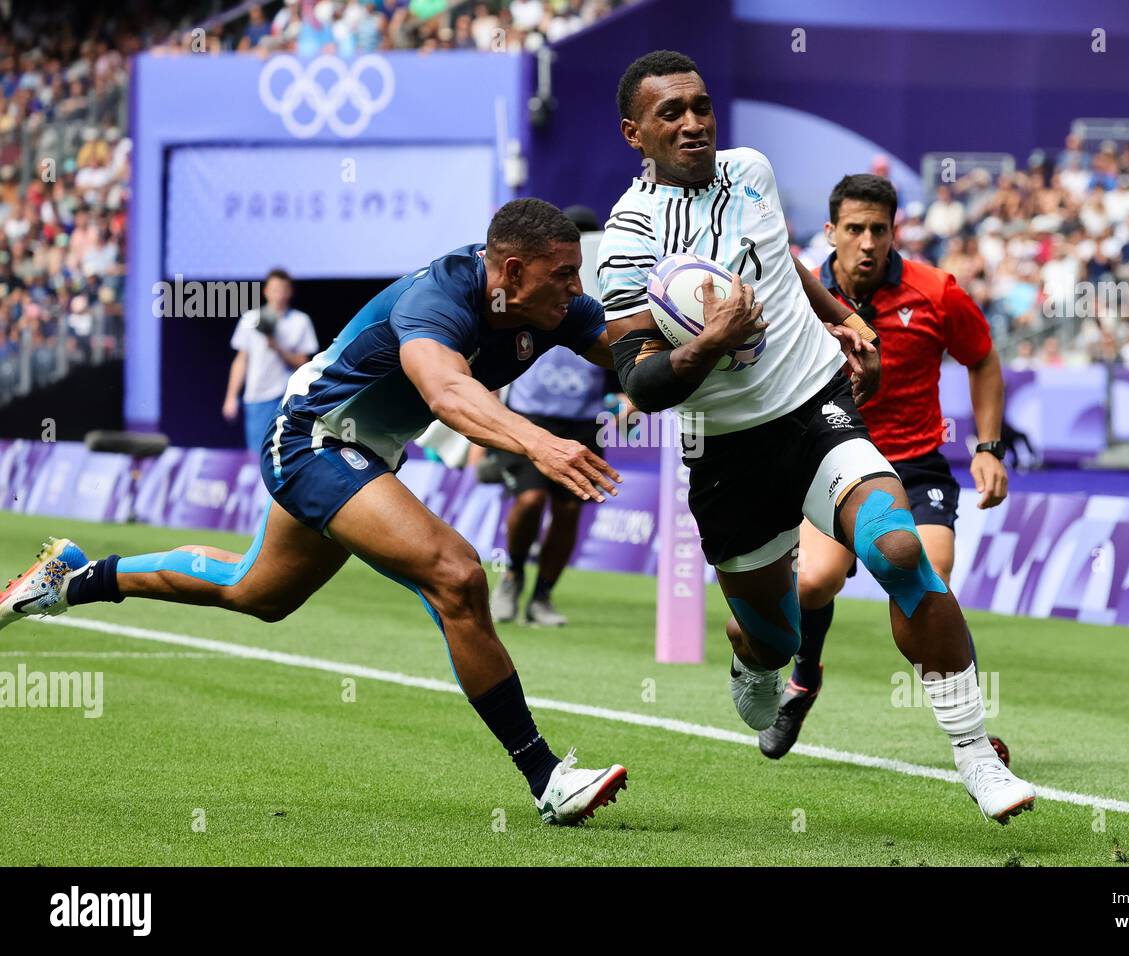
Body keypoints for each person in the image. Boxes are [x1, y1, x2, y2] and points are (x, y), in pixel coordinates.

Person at [2, 200, 628, 826]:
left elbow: (632, 350)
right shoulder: (439, 298)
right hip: (312, 437)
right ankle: (547, 778)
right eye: (565, 275)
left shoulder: (550, 306)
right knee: (457, 574)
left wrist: (713, 334)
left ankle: (72, 581)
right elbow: (447, 392)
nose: (578, 289)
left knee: (256, 592)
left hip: (364, 450)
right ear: (513, 272)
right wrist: (541, 442)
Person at [597, 49, 1035, 824]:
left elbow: (780, 258)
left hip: (814, 406)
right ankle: (756, 659)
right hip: (725, 447)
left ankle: (974, 755)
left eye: (701, 106)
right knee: (771, 634)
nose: (694, 122)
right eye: (672, 113)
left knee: (899, 549)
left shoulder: (752, 170)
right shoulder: (628, 236)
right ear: (636, 133)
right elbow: (639, 379)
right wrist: (710, 341)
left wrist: (841, 317)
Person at [759, 174, 1012, 764]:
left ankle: (972, 734)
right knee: (813, 582)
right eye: (854, 229)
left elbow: (983, 358)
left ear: (894, 232)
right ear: (830, 233)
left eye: (879, 229)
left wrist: (989, 447)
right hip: (830, 458)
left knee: (928, 578)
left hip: (916, 465)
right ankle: (804, 678)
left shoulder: (936, 291)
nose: (867, 242)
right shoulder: (795, 292)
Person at [490, 205, 617, 626]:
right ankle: (511, 576)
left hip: (583, 417)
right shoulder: (536, 287)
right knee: (530, 499)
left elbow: (618, 349)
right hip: (529, 414)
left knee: (568, 512)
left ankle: (542, 597)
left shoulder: (600, 286)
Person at [223, 268, 318, 453]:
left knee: (287, 450)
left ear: (290, 292)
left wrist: (279, 348)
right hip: (257, 396)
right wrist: (231, 397)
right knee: (258, 453)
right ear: (266, 291)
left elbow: (305, 364)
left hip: (287, 397)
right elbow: (241, 360)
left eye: (283, 289)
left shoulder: (300, 321)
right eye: (274, 289)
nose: (279, 294)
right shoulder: (250, 319)